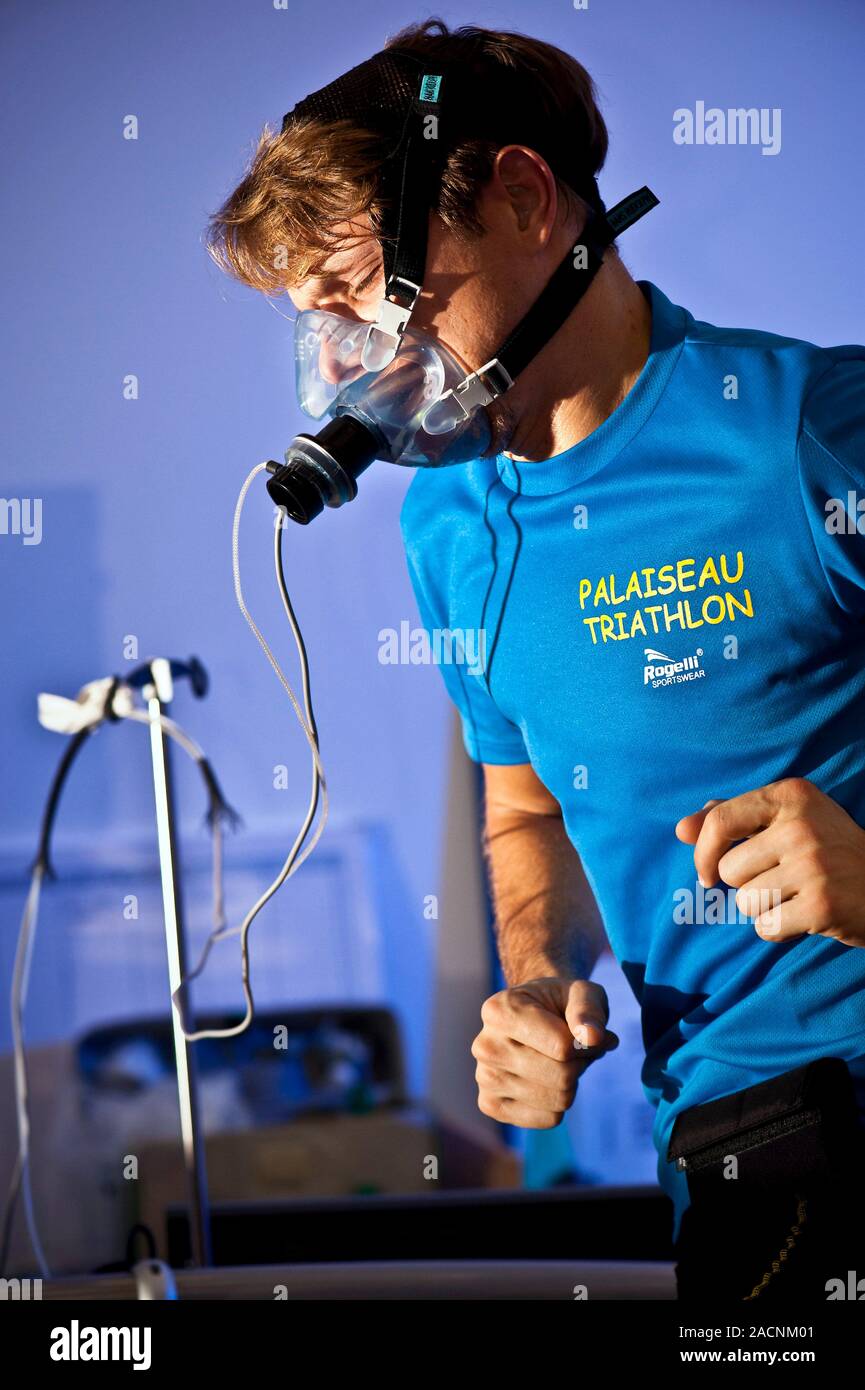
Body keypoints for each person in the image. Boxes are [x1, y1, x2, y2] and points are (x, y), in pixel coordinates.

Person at [207, 19, 865, 1300]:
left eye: (361, 293)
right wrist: (537, 979)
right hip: (725, 1152)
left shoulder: (806, 431)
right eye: (314, 323)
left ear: (522, 198)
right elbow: (526, 810)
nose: (344, 365)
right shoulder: (447, 529)